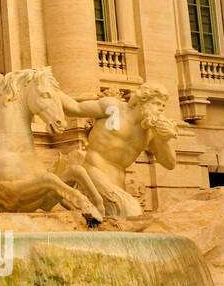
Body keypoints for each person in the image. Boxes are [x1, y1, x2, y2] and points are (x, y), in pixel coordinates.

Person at [58, 84, 178, 218]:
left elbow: (170, 164)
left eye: (163, 105)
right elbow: (75, 108)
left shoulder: (150, 132)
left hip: (117, 186)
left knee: (118, 221)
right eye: (157, 103)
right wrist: (49, 88)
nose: (161, 109)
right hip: (93, 173)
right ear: (141, 100)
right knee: (131, 212)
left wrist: (164, 141)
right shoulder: (113, 108)